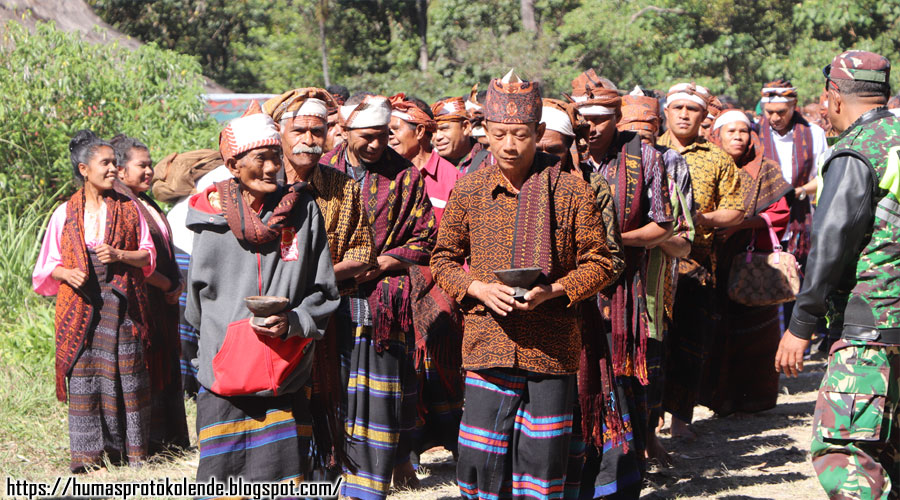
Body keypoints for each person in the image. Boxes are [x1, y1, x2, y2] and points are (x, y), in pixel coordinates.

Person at [431, 69, 621, 500]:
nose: (509, 145)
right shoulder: (470, 189)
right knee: (480, 458)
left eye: (519, 134)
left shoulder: (571, 192)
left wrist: (554, 291)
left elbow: (602, 263)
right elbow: (441, 259)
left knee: (542, 464)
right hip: (487, 341)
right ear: (485, 133)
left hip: (550, 344)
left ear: (538, 132)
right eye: (499, 135)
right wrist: (476, 288)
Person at [184, 102, 340, 483]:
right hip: (224, 374)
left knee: (284, 478)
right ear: (233, 165)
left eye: (276, 157)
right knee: (223, 481)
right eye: (260, 158)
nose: (272, 168)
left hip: (284, 369)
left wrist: (295, 321)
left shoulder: (303, 212)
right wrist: (216, 349)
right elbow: (196, 306)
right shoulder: (209, 220)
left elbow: (324, 289)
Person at [775, 50, 900, 500]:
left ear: (833, 96)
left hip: (869, 334)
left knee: (845, 454)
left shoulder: (857, 150)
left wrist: (801, 324)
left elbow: (830, 244)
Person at [320, 92, 437, 499]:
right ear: (346, 130)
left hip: (382, 300)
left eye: (383, 137)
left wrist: (385, 262)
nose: (375, 145)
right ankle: (332, 471)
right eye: (366, 136)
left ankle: (371, 481)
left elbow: (426, 237)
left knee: (381, 392)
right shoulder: (322, 171)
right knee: (334, 385)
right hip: (327, 294)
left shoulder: (405, 176)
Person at [569, 70, 674, 498]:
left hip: (623, 290)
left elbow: (662, 224)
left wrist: (611, 241)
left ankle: (619, 476)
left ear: (617, 118)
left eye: (600, 120)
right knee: (580, 379)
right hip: (572, 291)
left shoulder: (642, 156)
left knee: (622, 379)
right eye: (584, 119)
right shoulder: (561, 157)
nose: (591, 129)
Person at [262, 87, 377, 475]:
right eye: (300, 131)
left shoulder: (342, 186)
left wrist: (317, 276)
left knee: (327, 401)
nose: (310, 140)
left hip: (326, 314)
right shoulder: (261, 184)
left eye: (317, 131)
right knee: (276, 401)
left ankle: (322, 476)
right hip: (271, 316)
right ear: (280, 134)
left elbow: (363, 253)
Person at [33, 129, 156, 472]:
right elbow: (45, 268)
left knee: (125, 374)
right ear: (84, 169)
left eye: (115, 163)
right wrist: (66, 274)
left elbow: (147, 257)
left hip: (123, 305)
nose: (113, 169)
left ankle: (129, 454)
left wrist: (119, 254)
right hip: (80, 308)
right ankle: (88, 458)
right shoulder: (64, 214)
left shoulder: (130, 209)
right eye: (105, 163)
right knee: (85, 376)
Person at [658, 82, 745, 439]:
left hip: (696, 267)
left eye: (691, 109)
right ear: (666, 111)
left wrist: (698, 218)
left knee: (689, 344)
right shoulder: (646, 149)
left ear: (703, 115)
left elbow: (736, 211)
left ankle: (680, 419)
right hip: (653, 265)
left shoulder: (717, 157)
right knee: (654, 344)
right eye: (677, 108)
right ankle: (652, 419)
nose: (683, 114)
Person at [387, 93, 465, 469]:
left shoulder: (453, 179)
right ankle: (408, 453)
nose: (387, 137)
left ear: (420, 131)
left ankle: (457, 447)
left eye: (395, 129)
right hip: (396, 294)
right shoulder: (387, 177)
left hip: (443, 294)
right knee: (403, 376)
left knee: (444, 375)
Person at [618, 86, 694, 466]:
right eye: (630, 136)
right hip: (607, 285)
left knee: (651, 364)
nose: (639, 146)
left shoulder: (672, 163)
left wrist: (652, 236)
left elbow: (683, 240)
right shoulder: (605, 164)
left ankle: (648, 436)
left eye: (646, 136)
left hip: (652, 287)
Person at [701, 110, 791, 416]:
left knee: (757, 331)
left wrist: (739, 225)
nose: (738, 137)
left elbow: (779, 213)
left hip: (751, 264)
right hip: (712, 262)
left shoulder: (765, 170)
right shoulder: (707, 166)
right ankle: (720, 398)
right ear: (717, 136)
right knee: (717, 328)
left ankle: (755, 398)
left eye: (743, 131)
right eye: (731, 131)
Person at [110, 134, 191, 454]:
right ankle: (149, 442)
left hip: (162, 300)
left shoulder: (143, 200)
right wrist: (168, 285)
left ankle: (167, 440)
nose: (150, 172)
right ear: (119, 170)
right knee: (148, 368)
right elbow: (133, 259)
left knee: (164, 364)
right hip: (144, 301)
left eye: (149, 165)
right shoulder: (123, 205)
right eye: (141, 166)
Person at [432, 96, 492, 174]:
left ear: (465, 127)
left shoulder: (490, 160)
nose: (437, 137)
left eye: (444, 129)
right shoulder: (432, 166)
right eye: (433, 131)